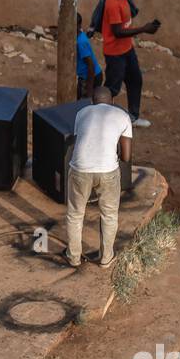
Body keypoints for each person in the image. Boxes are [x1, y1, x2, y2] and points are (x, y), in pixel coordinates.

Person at [64, 86, 132, 269]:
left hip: (80, 168)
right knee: (109, 215)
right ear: (113, 102)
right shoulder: (122, 116)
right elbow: (126, 157)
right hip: (108, 171)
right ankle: (106, 258)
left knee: (75, 214)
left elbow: (81, 140)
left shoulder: (82, 113)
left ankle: (74, 257)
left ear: (92, 101)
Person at [95, 0, 158, 127]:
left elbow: (128, 18)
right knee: (112, 88)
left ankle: (133, 117)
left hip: (127, 49)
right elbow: (118, 32)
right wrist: (144, 29)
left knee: (135, 80)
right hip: (115, 53)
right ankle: (98, 119)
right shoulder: (112, 4)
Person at [76, 12, 102, 99]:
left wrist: (89, 91)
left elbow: (91, 65)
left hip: (91, 77)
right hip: (85, 76)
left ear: (78, 26)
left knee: (84, 104)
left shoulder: (81, 42)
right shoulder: (77, 36)